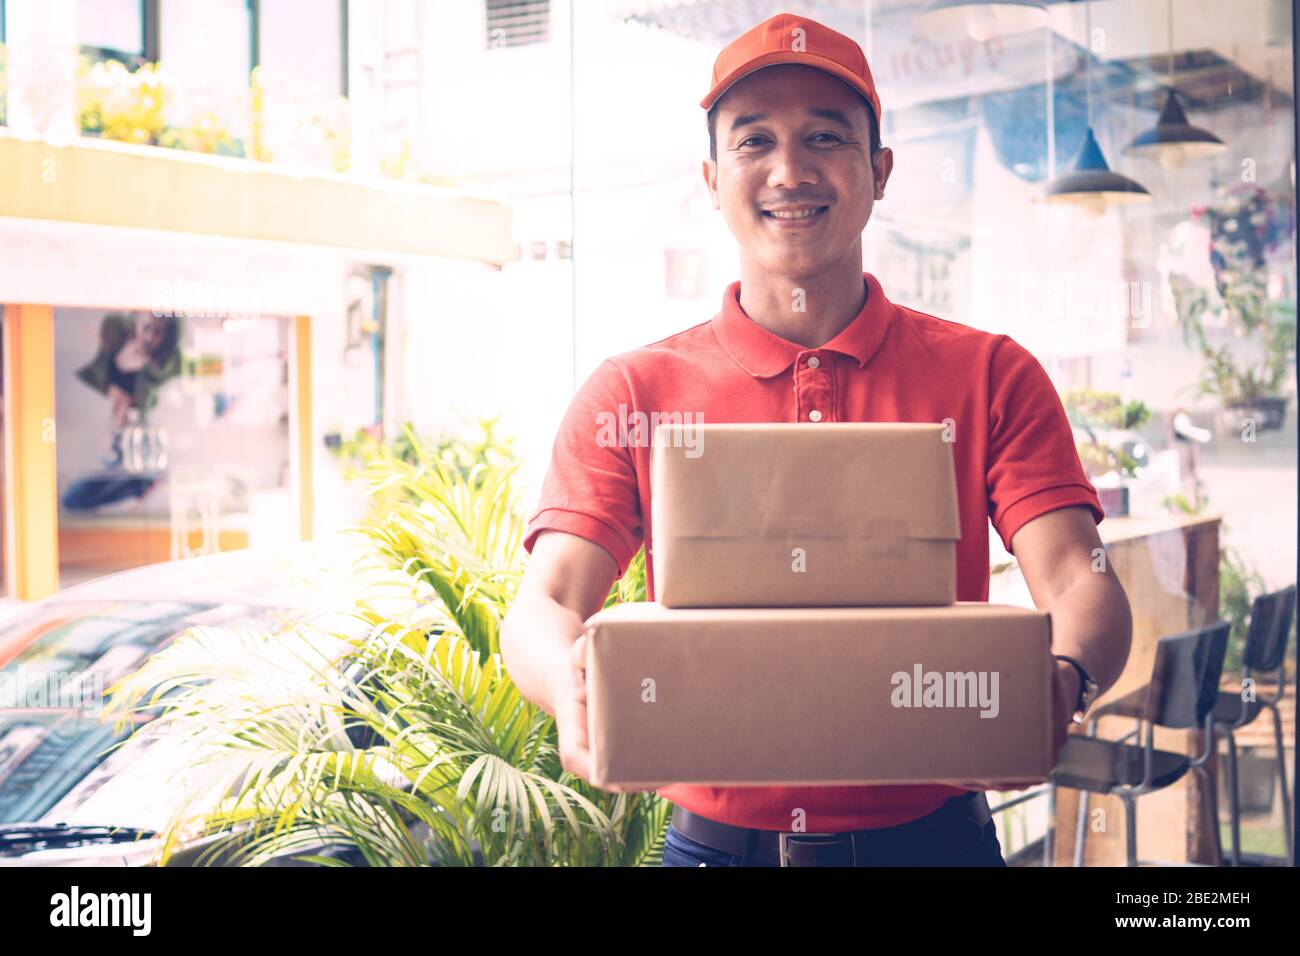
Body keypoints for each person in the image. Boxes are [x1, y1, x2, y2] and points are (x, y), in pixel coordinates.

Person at [500, 12, 1133, 867]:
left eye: (825, 137)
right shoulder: (634, 392)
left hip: (936, 846)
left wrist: (1064, 679)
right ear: (712, 177)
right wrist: (568, 688)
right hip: (716, 851)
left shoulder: (991, 375)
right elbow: (544, 604)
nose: (789, 171)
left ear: (879, 172)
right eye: (754, 140)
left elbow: (1077, 578)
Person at [62, 312, 181, 512]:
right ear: (136, 327)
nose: (150, 336)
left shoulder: (160, 372)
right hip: (113, 445)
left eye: (158, 332)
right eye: (146, 328)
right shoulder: (112, 358)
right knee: (75, 498)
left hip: (135, 451)